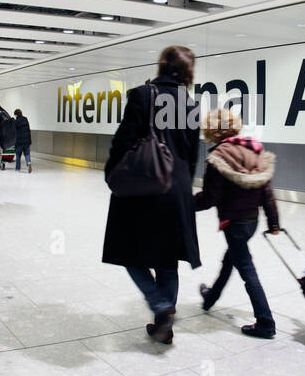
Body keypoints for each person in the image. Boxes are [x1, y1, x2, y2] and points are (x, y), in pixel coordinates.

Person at [101, 45, 201, 344]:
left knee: (130, 253)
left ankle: (160, 305)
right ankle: (164, 326)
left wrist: (111, 173)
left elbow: (124, 141)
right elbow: (191, 154)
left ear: (161, 65)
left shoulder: (143, 95)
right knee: (168, 260)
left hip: (145, 187)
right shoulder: (192, 104)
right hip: (178, 189)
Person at [194, 108, 281, 338]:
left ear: (211, 131)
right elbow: (267, 191)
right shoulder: (252, 150)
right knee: (231, 259)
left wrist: (185, 204)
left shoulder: (217, 158)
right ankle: (210, 297)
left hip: (233, 222)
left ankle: (265, 322)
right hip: (251, 221)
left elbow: (210, 198)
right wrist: (273, 222)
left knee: (246, 268)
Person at [13, 108, 32, 172]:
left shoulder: (16, 121)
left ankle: (17, 168)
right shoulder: (25, 119)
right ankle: (28, 163)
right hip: (26, 141)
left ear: (16, 115)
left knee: (18, 155)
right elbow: (28, 130)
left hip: (19, 142)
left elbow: (14, 132)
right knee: (27, 154)